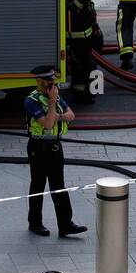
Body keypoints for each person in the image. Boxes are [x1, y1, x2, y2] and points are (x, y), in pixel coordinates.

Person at [23, 67, 88, 238]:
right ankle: (35, 223)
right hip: (38, 146)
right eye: (47, 81)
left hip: (54, 145)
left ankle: (66, 224)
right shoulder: (31, 101)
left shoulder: (56, 97)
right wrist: (53, 105)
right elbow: (47, 125)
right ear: (38, 81)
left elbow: (71, 115)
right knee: (38, 185)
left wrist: (56, 112)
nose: (51, 84)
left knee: (59, 186)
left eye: (52, 81)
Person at [65, 0, 98, 102]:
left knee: (84, 65)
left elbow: (88, 7)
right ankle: (90, 92)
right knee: (88, 66)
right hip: (76, 36)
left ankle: (83, 90)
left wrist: (95, 26)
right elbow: (72, 8)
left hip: (88, 32)